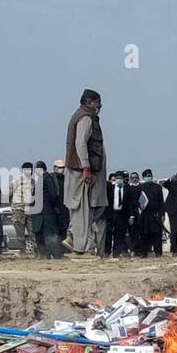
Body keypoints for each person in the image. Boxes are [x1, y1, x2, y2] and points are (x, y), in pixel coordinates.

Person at [63, 88, 107, 254]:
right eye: (98, 103)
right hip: (81, 172)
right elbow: (80, 143)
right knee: (81, 209)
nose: (100, 106)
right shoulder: (85, 118)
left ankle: (74, 239)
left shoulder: (81, 116)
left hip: (83, 170)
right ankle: (79, 247)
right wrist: (86, 167)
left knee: (89, 208)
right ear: (91, 102)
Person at [29, 161, 65, 259]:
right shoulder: (41, 179)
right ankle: (44, 255)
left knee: (49, 235)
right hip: (39, 213)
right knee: (40, 235)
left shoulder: (47, 178)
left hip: (46, 213)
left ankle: (56, 255)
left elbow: (53, 194)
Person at [104, 170, 134, 259]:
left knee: (119, 234)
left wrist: (131, 216)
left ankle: (116, 252)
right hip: (111, 213)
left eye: (120, 178)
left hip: (122, 214)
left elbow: (130, 203)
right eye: (117, 178)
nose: (119, 180)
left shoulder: (127, 189)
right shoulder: (110, 187)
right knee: (108, 233)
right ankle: (107, 251)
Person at [137, 168, 165, 257]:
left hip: (155, 214)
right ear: (143, 178)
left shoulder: (157, 187)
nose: (148, 177)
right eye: (146, 176)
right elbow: (137, 201)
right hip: (144, 214)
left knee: (156, 234)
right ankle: (144, 252)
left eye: (149, 176)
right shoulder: (140, 187)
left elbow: (161, 202)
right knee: (144, 234)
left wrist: (162, 214)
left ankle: (158, 252)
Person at [10, 163, 35, 256]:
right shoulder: (16, 181)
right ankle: (22, 252)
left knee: (32, 232)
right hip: (18, 209)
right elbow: (9, 194)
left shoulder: (33, 182)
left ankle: (37, 252)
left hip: (30, 210)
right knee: (20, 233)